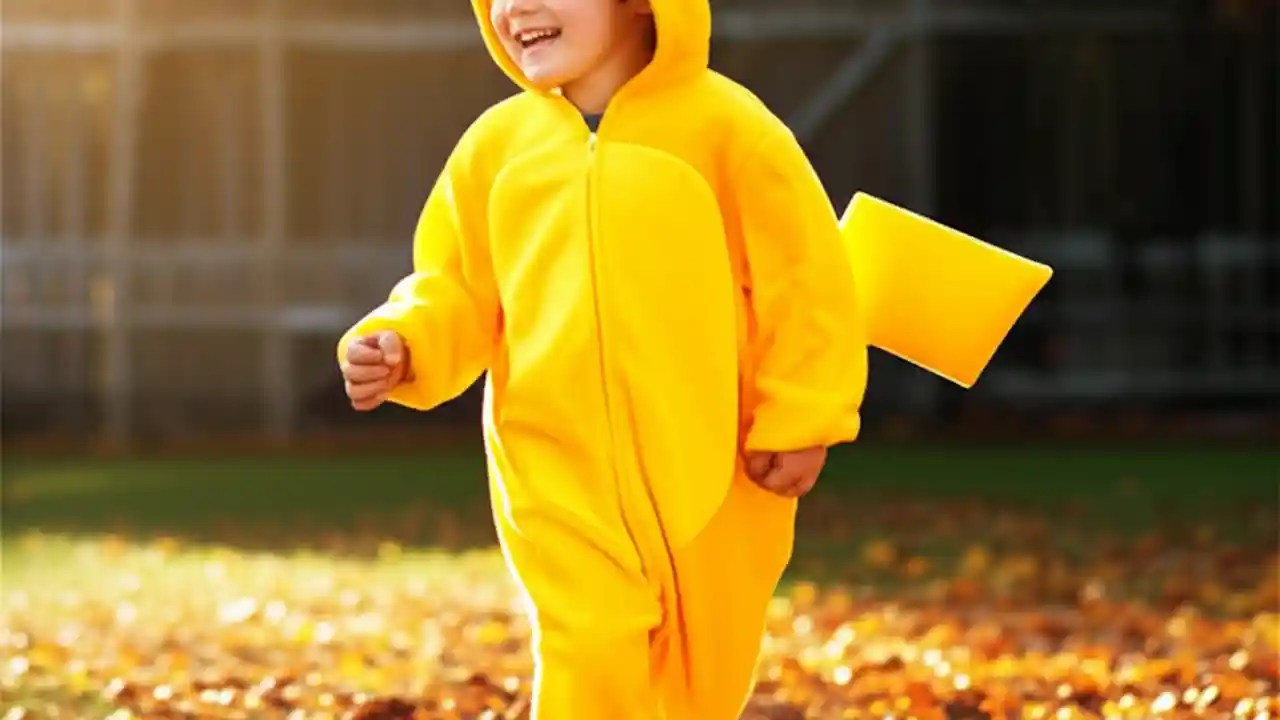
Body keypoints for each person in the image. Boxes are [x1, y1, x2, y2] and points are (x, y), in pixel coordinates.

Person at [336, 0, 867, 717]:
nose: (514, 8)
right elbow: (456, 286)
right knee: (588, 645)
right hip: (554, 474)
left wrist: (803, 414)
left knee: (697, 689)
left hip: (712, 475)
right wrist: (405, 342)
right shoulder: (496, 149)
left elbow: (804, 279)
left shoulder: (729, 130)